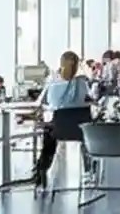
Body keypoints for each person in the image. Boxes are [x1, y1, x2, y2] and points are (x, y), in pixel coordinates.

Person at [32, 51, 92, 185]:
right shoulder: (83, 83)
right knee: (88, 128)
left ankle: (42, 169)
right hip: (81, 131)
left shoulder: (53, 84)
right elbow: (89, 100)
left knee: (49, 131)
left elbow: (46, 103)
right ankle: (89, 171)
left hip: (59, 130)